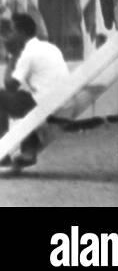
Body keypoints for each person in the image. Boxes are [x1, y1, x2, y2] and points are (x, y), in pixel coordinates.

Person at [0, 13, 68, 170]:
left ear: (22, 33)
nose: (7, 35)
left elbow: (10, 85)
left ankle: (2, 152)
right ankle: (28, 151)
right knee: (22, 99)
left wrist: (13, 55)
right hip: (61, 99)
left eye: (11, 31)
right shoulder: (49, 47)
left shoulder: (27, 53)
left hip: (45, 103)